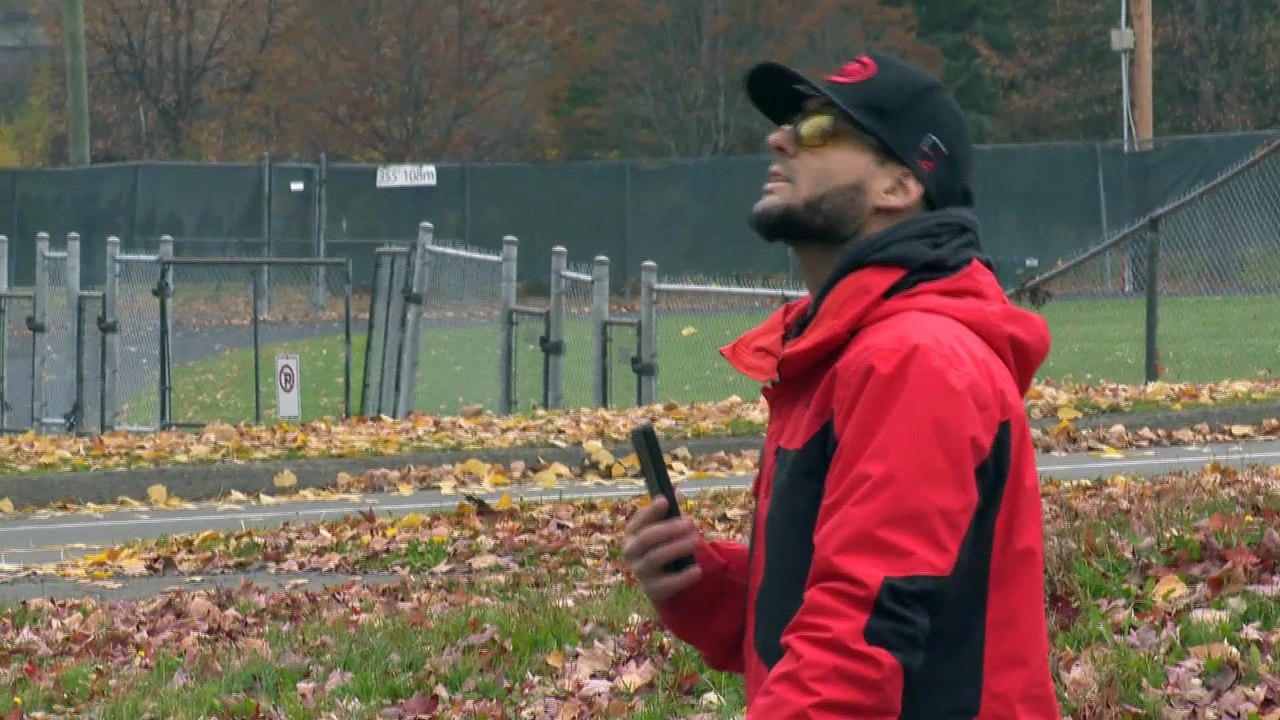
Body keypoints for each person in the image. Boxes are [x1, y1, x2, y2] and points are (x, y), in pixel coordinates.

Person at [621, 52, 1062, 718]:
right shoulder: (841, 353)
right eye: (788, 125)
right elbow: (841, 607)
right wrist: (707, 590)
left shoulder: (914, 360)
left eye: (820, 129)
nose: (779, 139)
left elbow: (860, 638)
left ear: (899, 185)